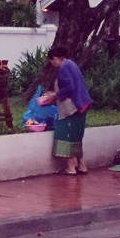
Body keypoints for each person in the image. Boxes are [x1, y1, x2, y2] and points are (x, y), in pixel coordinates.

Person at [41, 46, 93, 175]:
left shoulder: (63, 67)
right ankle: (81, 165)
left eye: (51, 61)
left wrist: (54, 96)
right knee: (77, 136)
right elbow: (72, 85)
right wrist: (55, 94)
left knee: (65, 135)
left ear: (55, 59)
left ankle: (70, 168)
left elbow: (69, 87)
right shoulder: (72, 64)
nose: (52, 64)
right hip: (82, 104)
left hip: (72, 107)